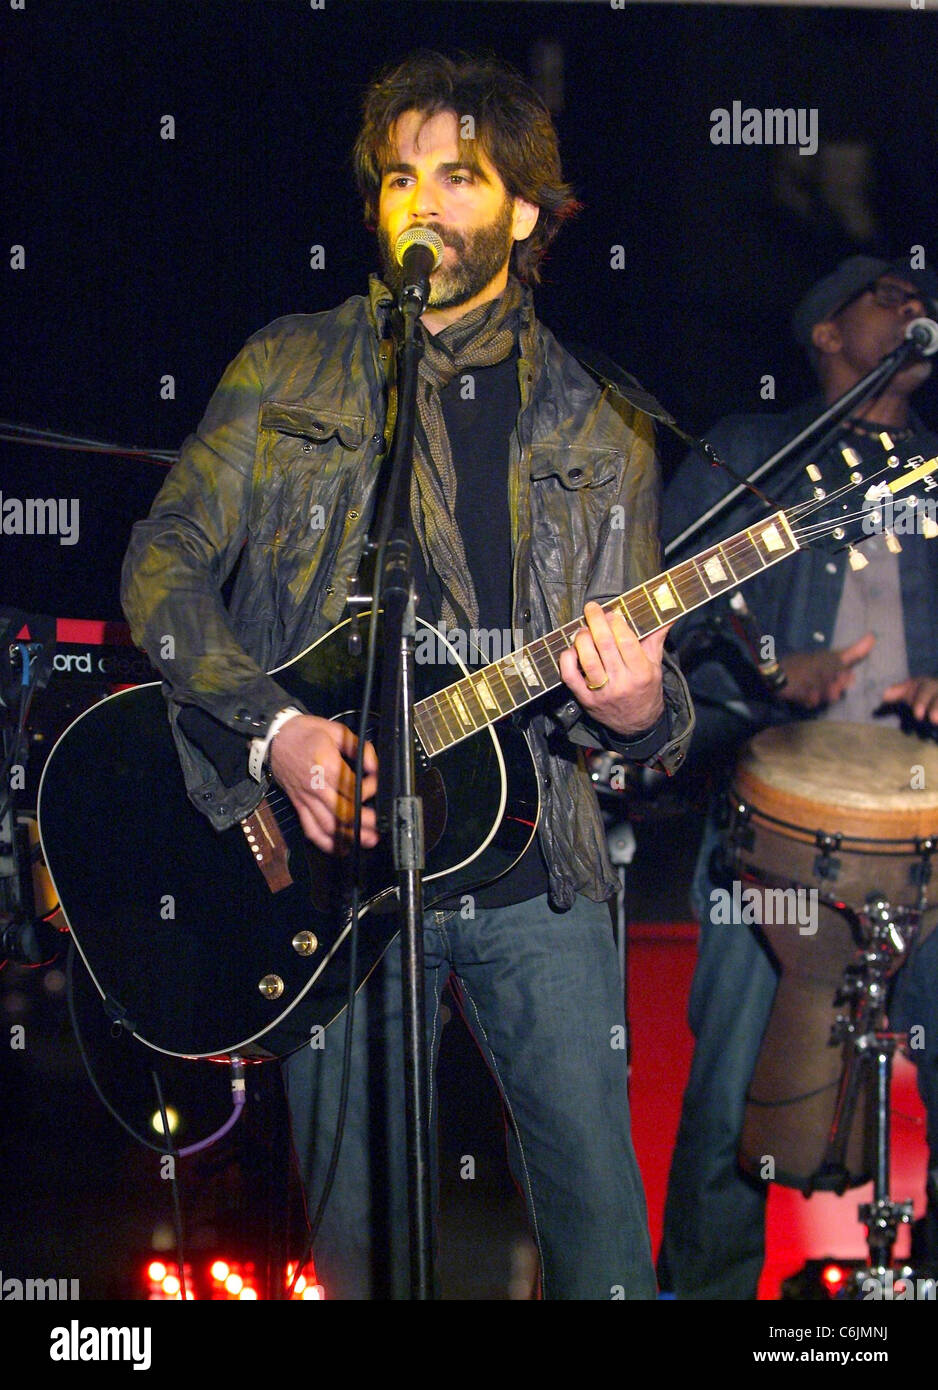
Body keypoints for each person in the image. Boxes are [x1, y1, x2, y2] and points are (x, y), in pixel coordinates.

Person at [120, 51, 693, 1300]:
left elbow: (645, 715)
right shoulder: (287, 368)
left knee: (601, 1245)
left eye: (458, 174)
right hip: (342, 876)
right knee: (362, 1249)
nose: (418, 200)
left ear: (526, 212)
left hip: (541, 877)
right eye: (397, 174)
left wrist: (639, 709)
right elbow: (161, 566)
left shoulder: (602, 425)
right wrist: (275, 732)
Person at [658, 254, 938, 1299]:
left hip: (927, 839)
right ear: (823, 332)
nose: (915, 302)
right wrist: (769, 667)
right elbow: (658, 621)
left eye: (920, 296)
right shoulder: (747, 458)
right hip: (771, 831)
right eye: (885, 295)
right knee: (732, 1090)